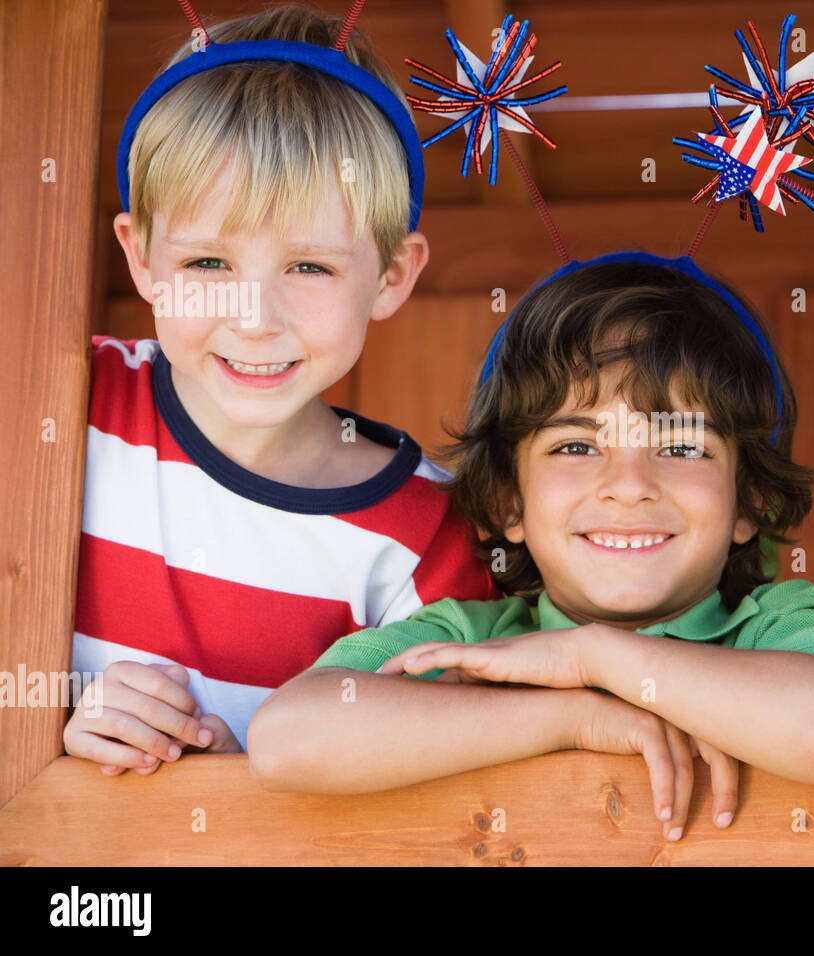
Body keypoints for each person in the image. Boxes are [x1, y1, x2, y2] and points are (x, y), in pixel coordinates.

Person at [248, 253, 814, 841]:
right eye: (575, 446)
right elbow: (288, 739)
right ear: (510, 501)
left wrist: (590, 653)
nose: (628, 486)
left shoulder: (782, 624)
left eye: (679, 446)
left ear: (748, 502)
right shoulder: (471, 637)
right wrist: (575, 717)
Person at [63, 5, 495, 775]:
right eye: (207, 265)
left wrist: (238, 777)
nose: (255, 319)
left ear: (392, 276)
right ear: (140, 258)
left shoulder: (430, 541)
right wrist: (49, 720)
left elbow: (432, 805)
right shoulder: (63, 402)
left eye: (309, 267)